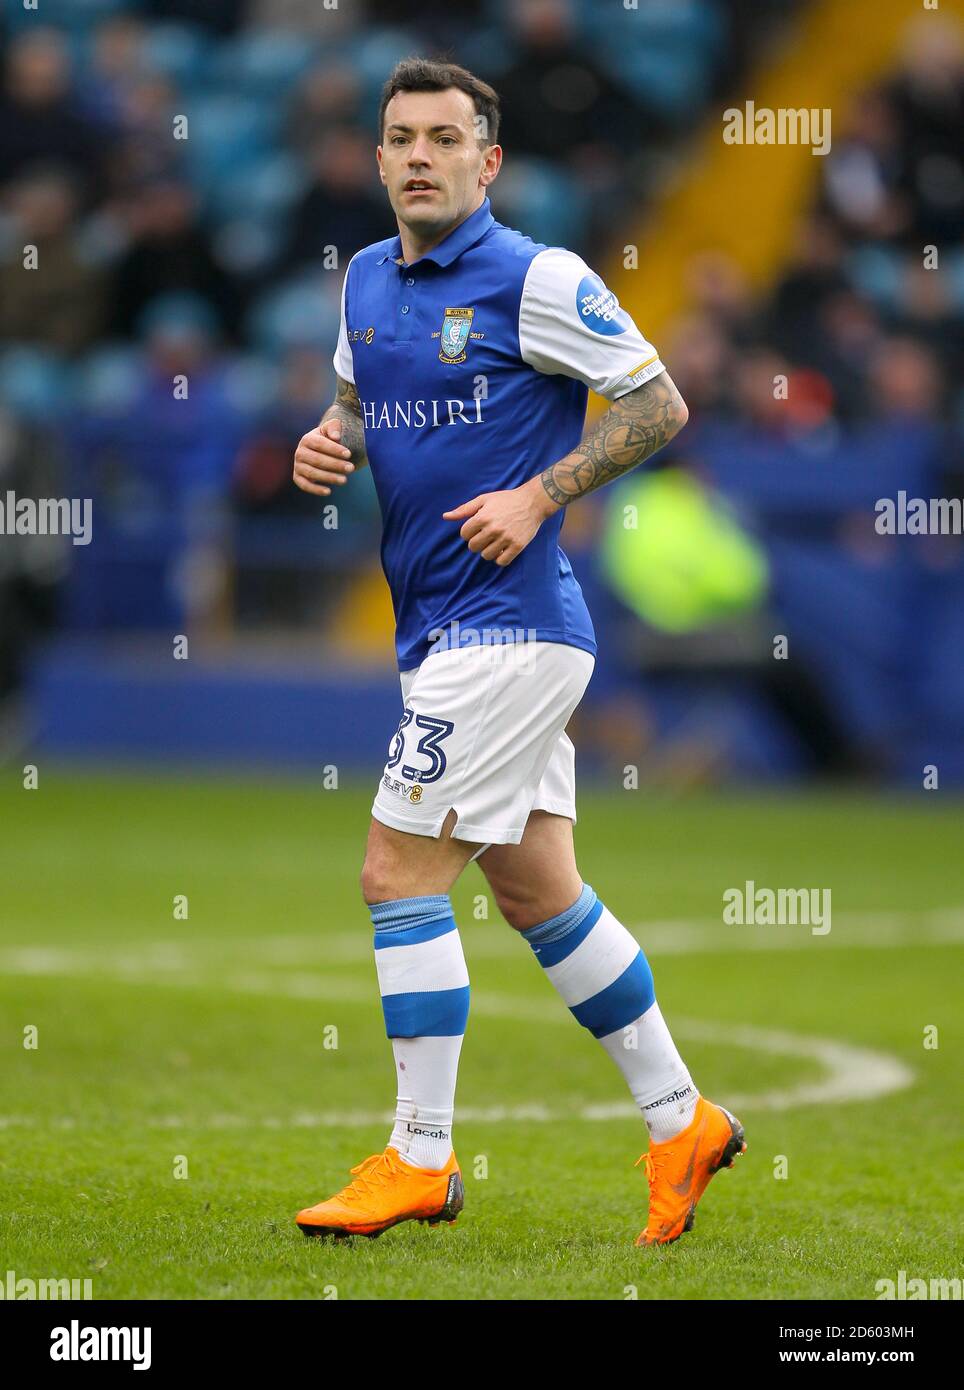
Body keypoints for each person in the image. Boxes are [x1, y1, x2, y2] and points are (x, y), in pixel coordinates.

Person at [291, 58, 745, 1248]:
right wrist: (324, 443)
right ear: (380, 157)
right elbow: (356, 404)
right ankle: (679, 1117)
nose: (422, 156)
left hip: (510, 630)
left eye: (447, 137)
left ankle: (418, 1158)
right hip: (441, 628)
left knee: (396, 872)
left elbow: (656, 405)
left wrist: (541, 493)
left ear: (488, 162)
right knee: (538, 888)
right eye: (402, 138)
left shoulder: (538, 277)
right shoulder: (364, 284)